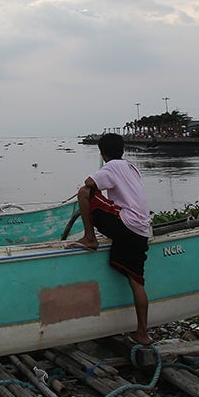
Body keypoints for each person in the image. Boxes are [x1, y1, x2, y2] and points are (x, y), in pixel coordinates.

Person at [69, 133, 154, 345]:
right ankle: (142, 333)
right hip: (141, 230)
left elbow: (89, 183)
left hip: (126, 224)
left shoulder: (112, 166)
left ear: (102, 152)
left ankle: (90, 238)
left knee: (83, 193)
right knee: (137, 283)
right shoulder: (131, 168)